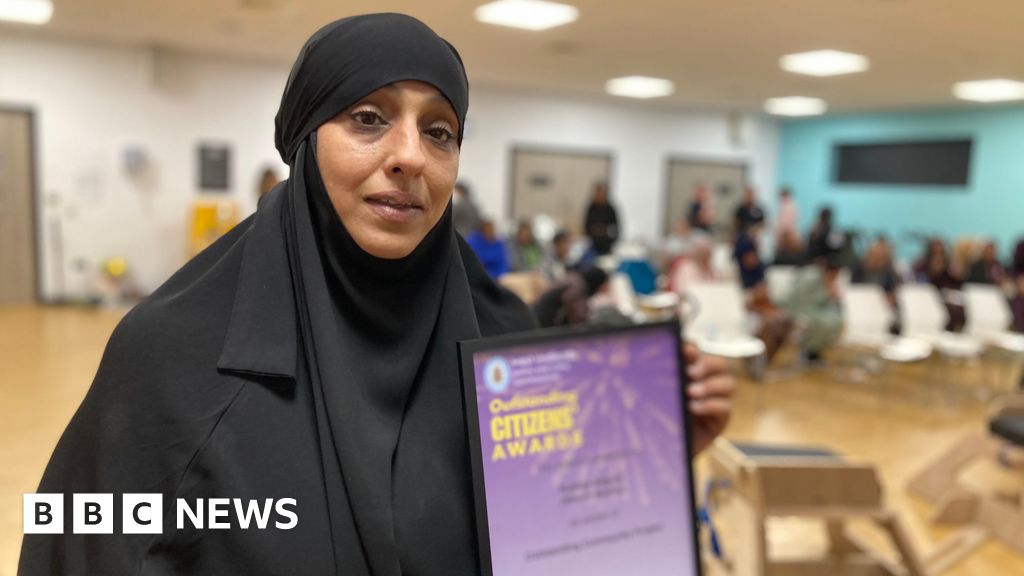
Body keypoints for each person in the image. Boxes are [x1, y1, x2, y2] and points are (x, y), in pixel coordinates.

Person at [20, 15, 735, 575]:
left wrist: (651, 454)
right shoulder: (172, 359)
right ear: (304, 143)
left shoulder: (505, 348)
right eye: (368, 118)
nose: (410, 156)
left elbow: (568, 543)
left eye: (440, 131)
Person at [782, 255, 845, 364]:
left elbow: (826, 302)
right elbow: (797, 297)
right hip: (799, 308)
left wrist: (832, 295)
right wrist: (827, 292)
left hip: (814, 309)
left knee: (837, 321)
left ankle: (814, 349)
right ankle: (808, 349)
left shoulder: (827, 280)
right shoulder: (810, 276)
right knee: (824, 323)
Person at [582, 182, 619, 256]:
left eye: (601, 193)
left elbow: (615, 229)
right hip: (592, 246)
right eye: (597, 193)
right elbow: (586, 226)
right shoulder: (591, 208)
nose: (598, 195)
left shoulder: (610, 209)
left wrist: (603, 230)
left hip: (607, 246)